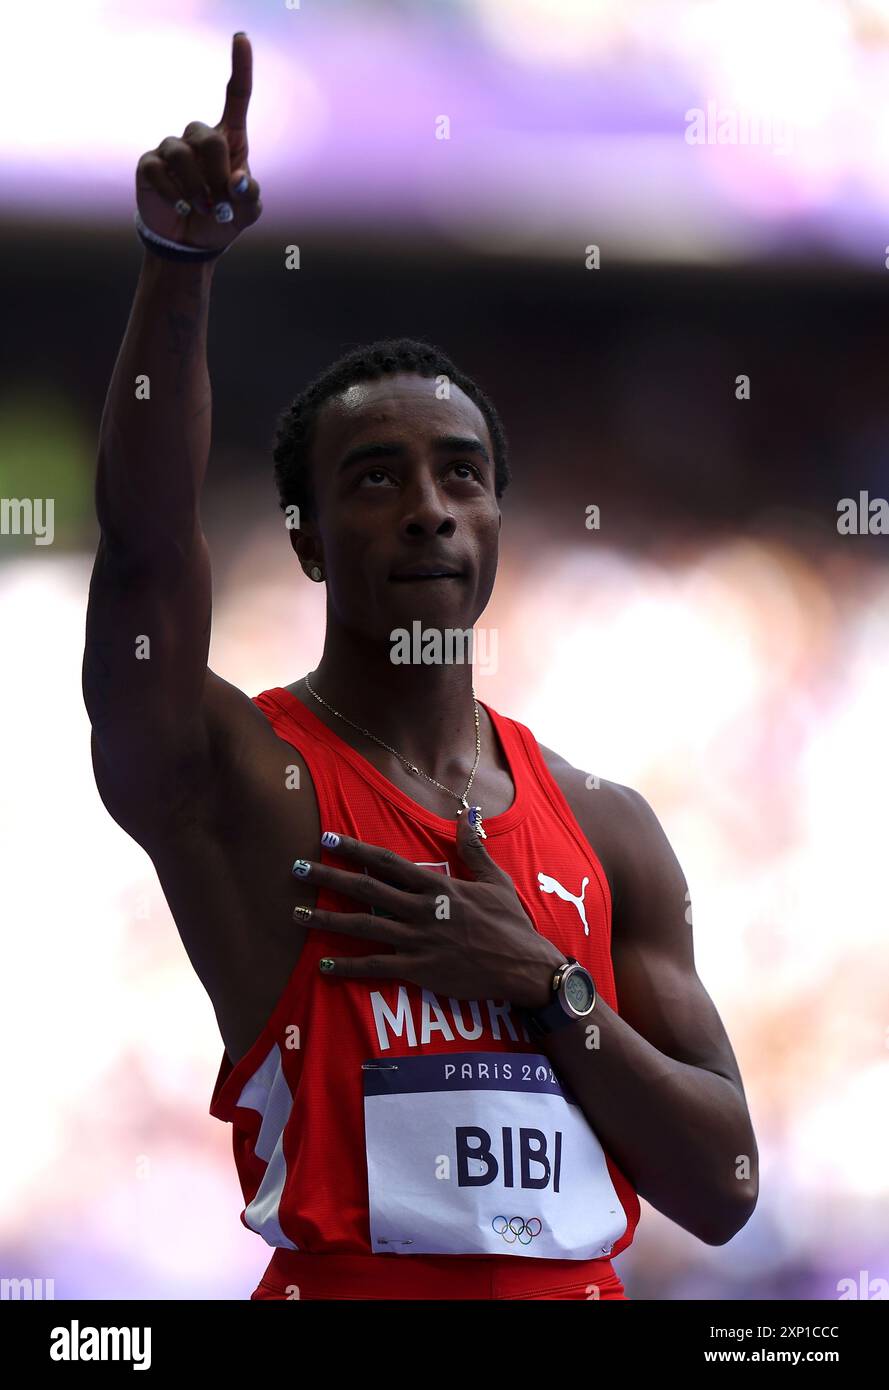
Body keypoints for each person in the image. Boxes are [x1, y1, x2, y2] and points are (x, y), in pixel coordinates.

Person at [83, 32, 758, 1301]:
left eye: (462, 475)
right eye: (376, 478)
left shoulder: (607, 829)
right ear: (306, 538)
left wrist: (543, 984)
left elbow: (724, 1191)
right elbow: (141, 556)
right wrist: (177, 267)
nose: (430, 509)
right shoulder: (243, 780)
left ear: (500, 516)